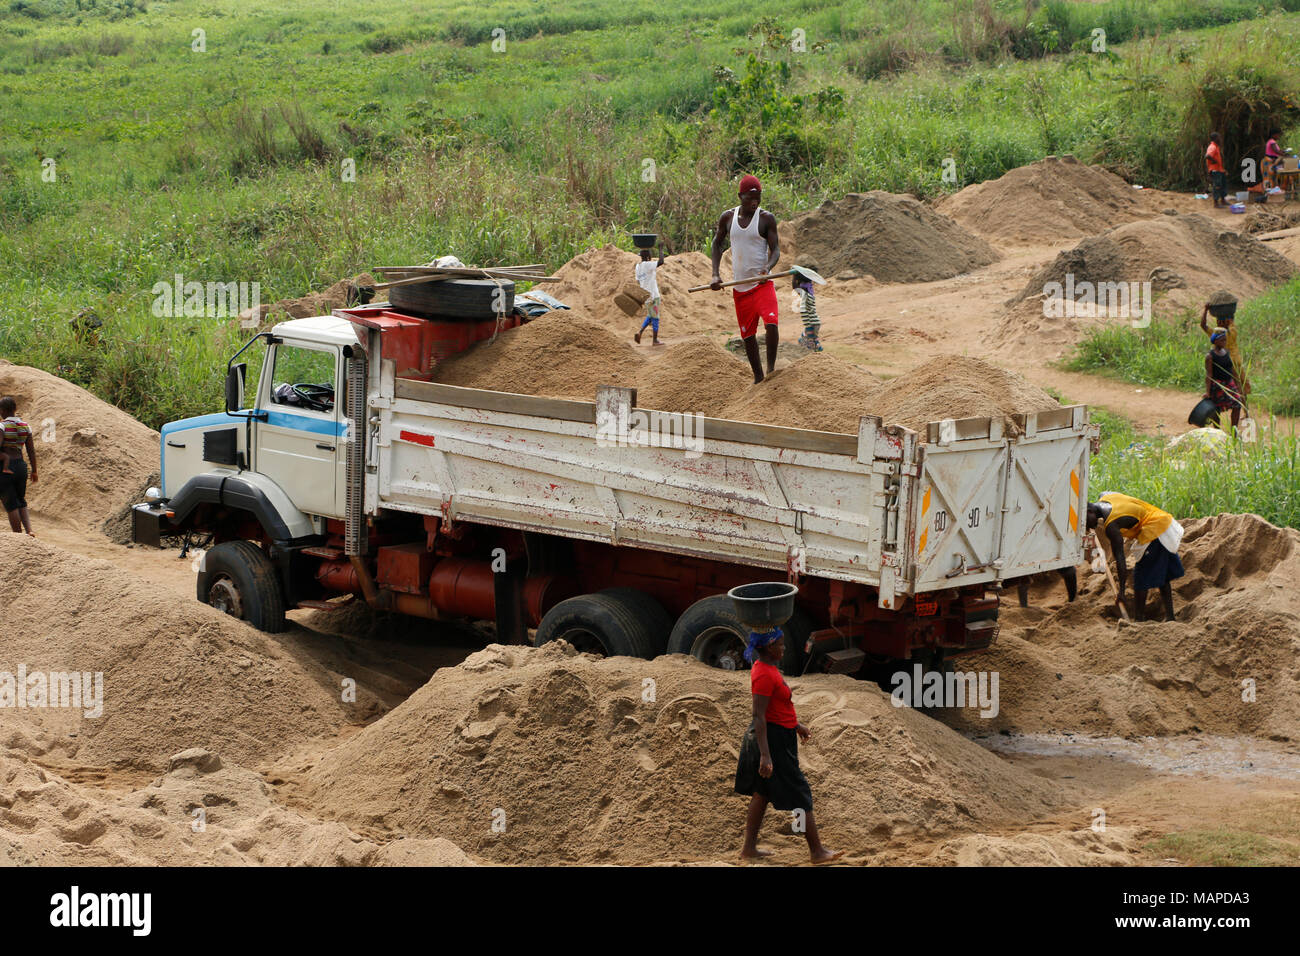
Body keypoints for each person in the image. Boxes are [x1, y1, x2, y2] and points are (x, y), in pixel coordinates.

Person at [734, 626, 842, 863]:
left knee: (761, 793)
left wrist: (797, 725)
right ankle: (816, 851)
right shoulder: (763, 674)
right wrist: (765, 755)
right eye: (780, 644)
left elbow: (777, 709)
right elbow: (759, 716)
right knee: (800, 794)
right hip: (773, 741)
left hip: (778, 734)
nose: (784, 648)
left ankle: (748, 849)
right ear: (768, 647)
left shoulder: (768, 668)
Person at [711, 175, 781, 383]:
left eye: (758, 197)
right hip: (740, 289)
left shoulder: (766, 218)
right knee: (748, 335)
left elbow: (775, 249)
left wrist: (767, 268)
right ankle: (758, 378)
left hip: (762, 284)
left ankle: (771, 371)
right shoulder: (728, 218)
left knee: (771, 323)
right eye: (750, 197)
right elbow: (716, 244)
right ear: (739, 196)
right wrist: (715, 274)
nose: (755, 201)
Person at [1086, 493, 1184, 622]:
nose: (1089, 528)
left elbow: (1120, 558)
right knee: (1163, 576)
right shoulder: (1106, 497)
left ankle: (1139, 619)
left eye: (1086, 522)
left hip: (1154, 529)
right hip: (1163, 520)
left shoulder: (1111, 525)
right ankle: (1170, 616)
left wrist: (1121, 591)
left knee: (1141, 577)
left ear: (1090, 511)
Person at [1196, 291, 1248, 399]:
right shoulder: (1224, 331)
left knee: (1238, 387)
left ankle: (1243, 410)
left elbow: (1203, 325)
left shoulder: (1225, 333)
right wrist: (1206, 310)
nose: (1218, 322)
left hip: (1231, 362)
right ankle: (1244, 411)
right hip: (1230, 361)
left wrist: (1206, 310)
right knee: (1239, 387)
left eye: (1220, 321)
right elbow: (1203, 325)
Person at [0, 396, 37, 537]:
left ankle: (18, 536)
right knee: (21, 500)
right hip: (21, 466)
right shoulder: (26, 426)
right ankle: (29, 531)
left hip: (6, 467)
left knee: (10, 503)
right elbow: (31, 451)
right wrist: (34, 471)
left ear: (2, 410)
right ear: (15, 409)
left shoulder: (2, 426)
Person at [1204, 327, 1243, 430]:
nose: (1224, 342)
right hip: (1217, 385)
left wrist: (1238, 385)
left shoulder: (1227, 352)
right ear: (1215, 341)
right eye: (1222, 340)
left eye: (1225, 340)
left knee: (1237, 404)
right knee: (1217, 410)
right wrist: (1208, 392)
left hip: (1229, 383)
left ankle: (1234, 431)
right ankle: (1217, 431)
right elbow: (1209, 375)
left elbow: (1232, 369)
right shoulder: (1210, 356)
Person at [633, 246, 666, 346]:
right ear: (648, 257)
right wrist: (660, 249)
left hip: (645, 296)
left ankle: (640, 333)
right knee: (655, 317)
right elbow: (661, 262)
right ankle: (655, 340)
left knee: (651, 315)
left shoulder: (638, 267)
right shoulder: (648, 265)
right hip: (653, 295)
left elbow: (638, 281)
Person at [792, 267, 822, 352]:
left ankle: (815, 352)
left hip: (812, 324)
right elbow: (796, 287)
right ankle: (816, 350)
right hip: (814, 323)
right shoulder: (808, 294)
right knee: (809, 338)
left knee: (809, 340)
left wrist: (794, 277)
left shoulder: (806, 295)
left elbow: (795, 287)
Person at [1206, 132, 1227, 208]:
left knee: (1223, 184)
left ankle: (1223, 200)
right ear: (1215, 139)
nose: (1220, 139)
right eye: (1219, 137)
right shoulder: (1212, 147)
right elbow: (1208, 156)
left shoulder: (1216, 146)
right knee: (1217, 186)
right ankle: (1216, 203)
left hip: (1219, 169)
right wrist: (1214, 161)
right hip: (1215, 170)